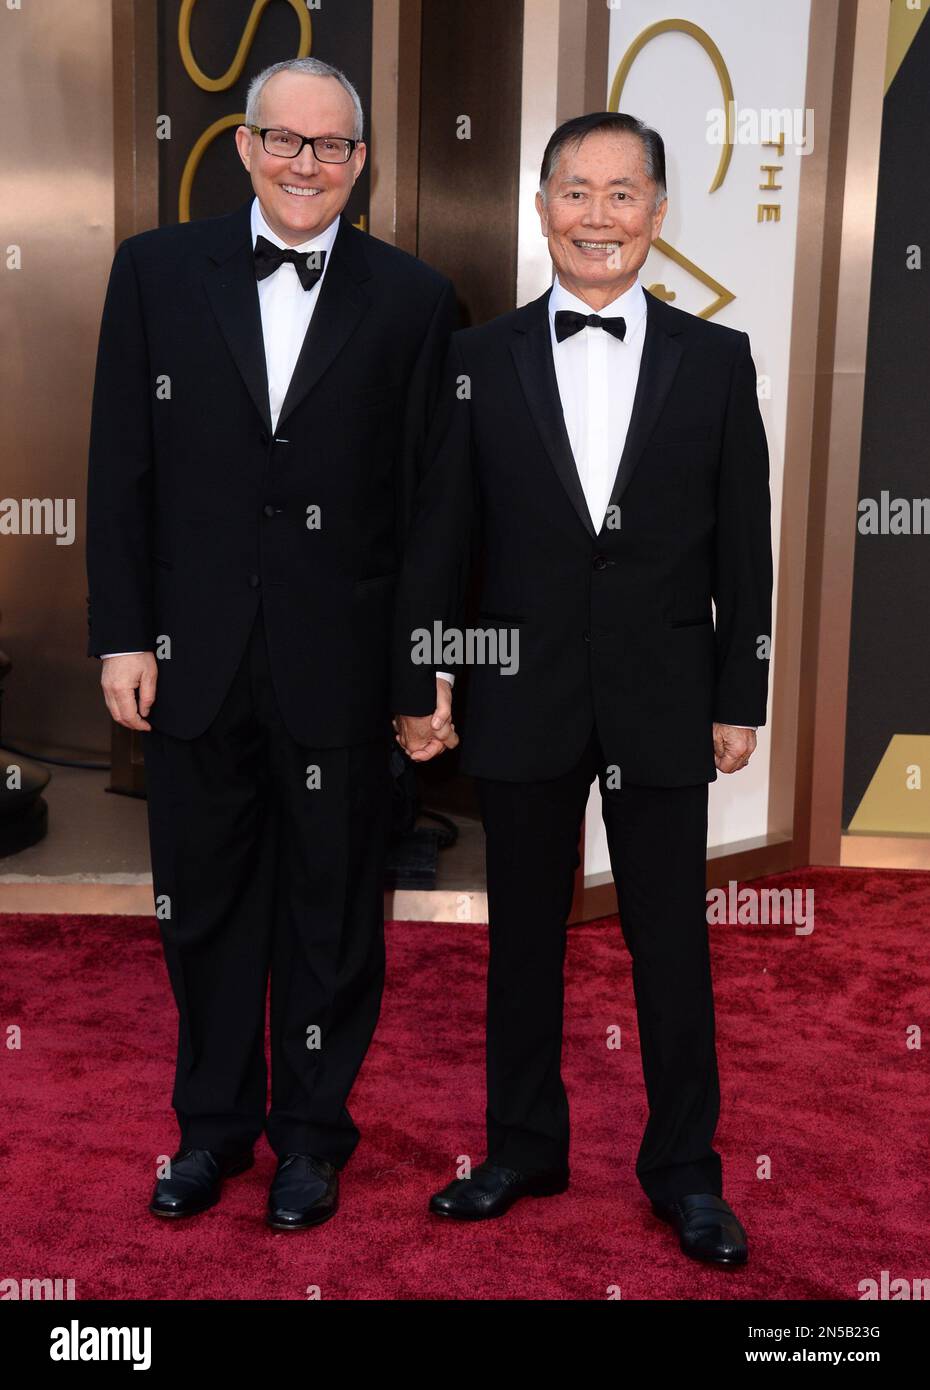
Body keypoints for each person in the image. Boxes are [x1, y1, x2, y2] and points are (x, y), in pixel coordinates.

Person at [393, 112, 772, 1266]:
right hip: (521, 692)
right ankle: (521, 1147)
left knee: (670, 939)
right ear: (540, 206)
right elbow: (439, 537)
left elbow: (744, 544)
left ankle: (687, 1172)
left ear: (658, 213)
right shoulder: (475, 361)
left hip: (663, 692)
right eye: (575, 191)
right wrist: (426, 671)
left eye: (622, 194)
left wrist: (740, 690)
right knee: (524, 937)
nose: (597, 216)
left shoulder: (718, 360)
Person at [86, 56, 456, 1230]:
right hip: (191, 659)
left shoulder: (413, 299)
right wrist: (120, 635)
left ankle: (310, 1138)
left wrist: (418, 671)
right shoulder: (152, 272)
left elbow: (427, 509)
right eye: (285, 141)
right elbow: (120, 470)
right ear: (244, 147)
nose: (307, 164)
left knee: (333, 917)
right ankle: (210, 1134)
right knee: (200, 912)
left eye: (332, 146)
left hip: (339, 670)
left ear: (362, 163)